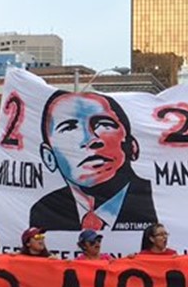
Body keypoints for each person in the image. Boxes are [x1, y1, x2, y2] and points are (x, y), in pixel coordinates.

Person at [29, 89, 159, 236]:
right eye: (69, 128)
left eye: (104, 124)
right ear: (49, 157)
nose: (90, 140)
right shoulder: (43, 211)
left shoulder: (158, 202)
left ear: (132, 147)